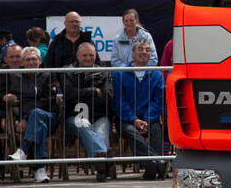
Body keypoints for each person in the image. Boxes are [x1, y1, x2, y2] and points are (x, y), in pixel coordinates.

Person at [6, 46, 60, 183]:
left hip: (50, 117)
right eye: (27, 60)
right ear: (23, 62)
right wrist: (20, 117)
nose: (31, 63)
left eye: (33, 59)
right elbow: (11, 98)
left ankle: (23, 150)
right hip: (34, 122)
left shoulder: (48, 76)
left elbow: (46, 102)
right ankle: (40, 170)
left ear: (40, 61)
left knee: (37, 115)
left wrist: (25, 118)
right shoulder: (17, 78)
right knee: (38, 126)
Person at [62, 42, 115, 180]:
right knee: (84, 124)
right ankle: (105, 162)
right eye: (84, 55)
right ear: (78, 55)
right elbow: (69, 94)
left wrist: (82, 96)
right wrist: (93, 91)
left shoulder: (103, 72)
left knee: (101, 132)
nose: (88, 58)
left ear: (96, 55)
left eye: (91, 55)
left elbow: (107, 97)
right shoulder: (68, 71)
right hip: (74, 116)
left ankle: (101, 170)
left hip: (99, 115)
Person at [114, 39, 166, 180]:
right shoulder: (120, 74)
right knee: (131, 131)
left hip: (150, 119)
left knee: (155, 129)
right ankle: (155, 162)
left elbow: (158, 101)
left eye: (147, 50)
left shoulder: (157, 75)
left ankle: (153, 165)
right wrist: (134, 119)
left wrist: (147, 120)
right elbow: (120, 101)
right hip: (127, 119)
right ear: (133, 53)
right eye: (141, 49)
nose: (144, 52)